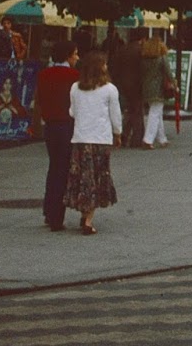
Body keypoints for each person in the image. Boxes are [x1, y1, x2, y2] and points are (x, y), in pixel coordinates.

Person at [64, 50, 122, 235]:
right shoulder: (110, 90)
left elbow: (72, 112)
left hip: (80, 138)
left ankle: (84, 211)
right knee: (96, 178)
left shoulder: (75, 88)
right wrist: (117, 133)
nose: (106, 66)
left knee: (82, 178)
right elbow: (115, 115)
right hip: (100, 139)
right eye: (104, 63)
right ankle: (88, 220)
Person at [36, 39, 80, 230]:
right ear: (68, 56)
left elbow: (39, 99)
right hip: (67, 125)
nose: (77, 57)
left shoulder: (44, 74)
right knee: (63, 170)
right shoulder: (74, 76)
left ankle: (49, 209)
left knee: (54, 167)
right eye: (75, 54)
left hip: (50, 125)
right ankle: (56, 215)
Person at [110, 32, 144, 147]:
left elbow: (115, 67)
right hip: (136, 85)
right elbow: (142, 69)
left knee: (130, 111)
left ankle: (124, 135)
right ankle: (136, 139)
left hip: (123, 84)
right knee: (137, 112)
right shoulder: (141, 51)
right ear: (142, 39)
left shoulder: (122, 49)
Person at [139, 37, 174, 148]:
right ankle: (148, 140)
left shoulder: (144, 59)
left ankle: (162, 138)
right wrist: (175, 84)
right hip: (158, 89)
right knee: (155, 113)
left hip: (146, 88)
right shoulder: (162, 58)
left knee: (157, 112)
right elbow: (168, 73)